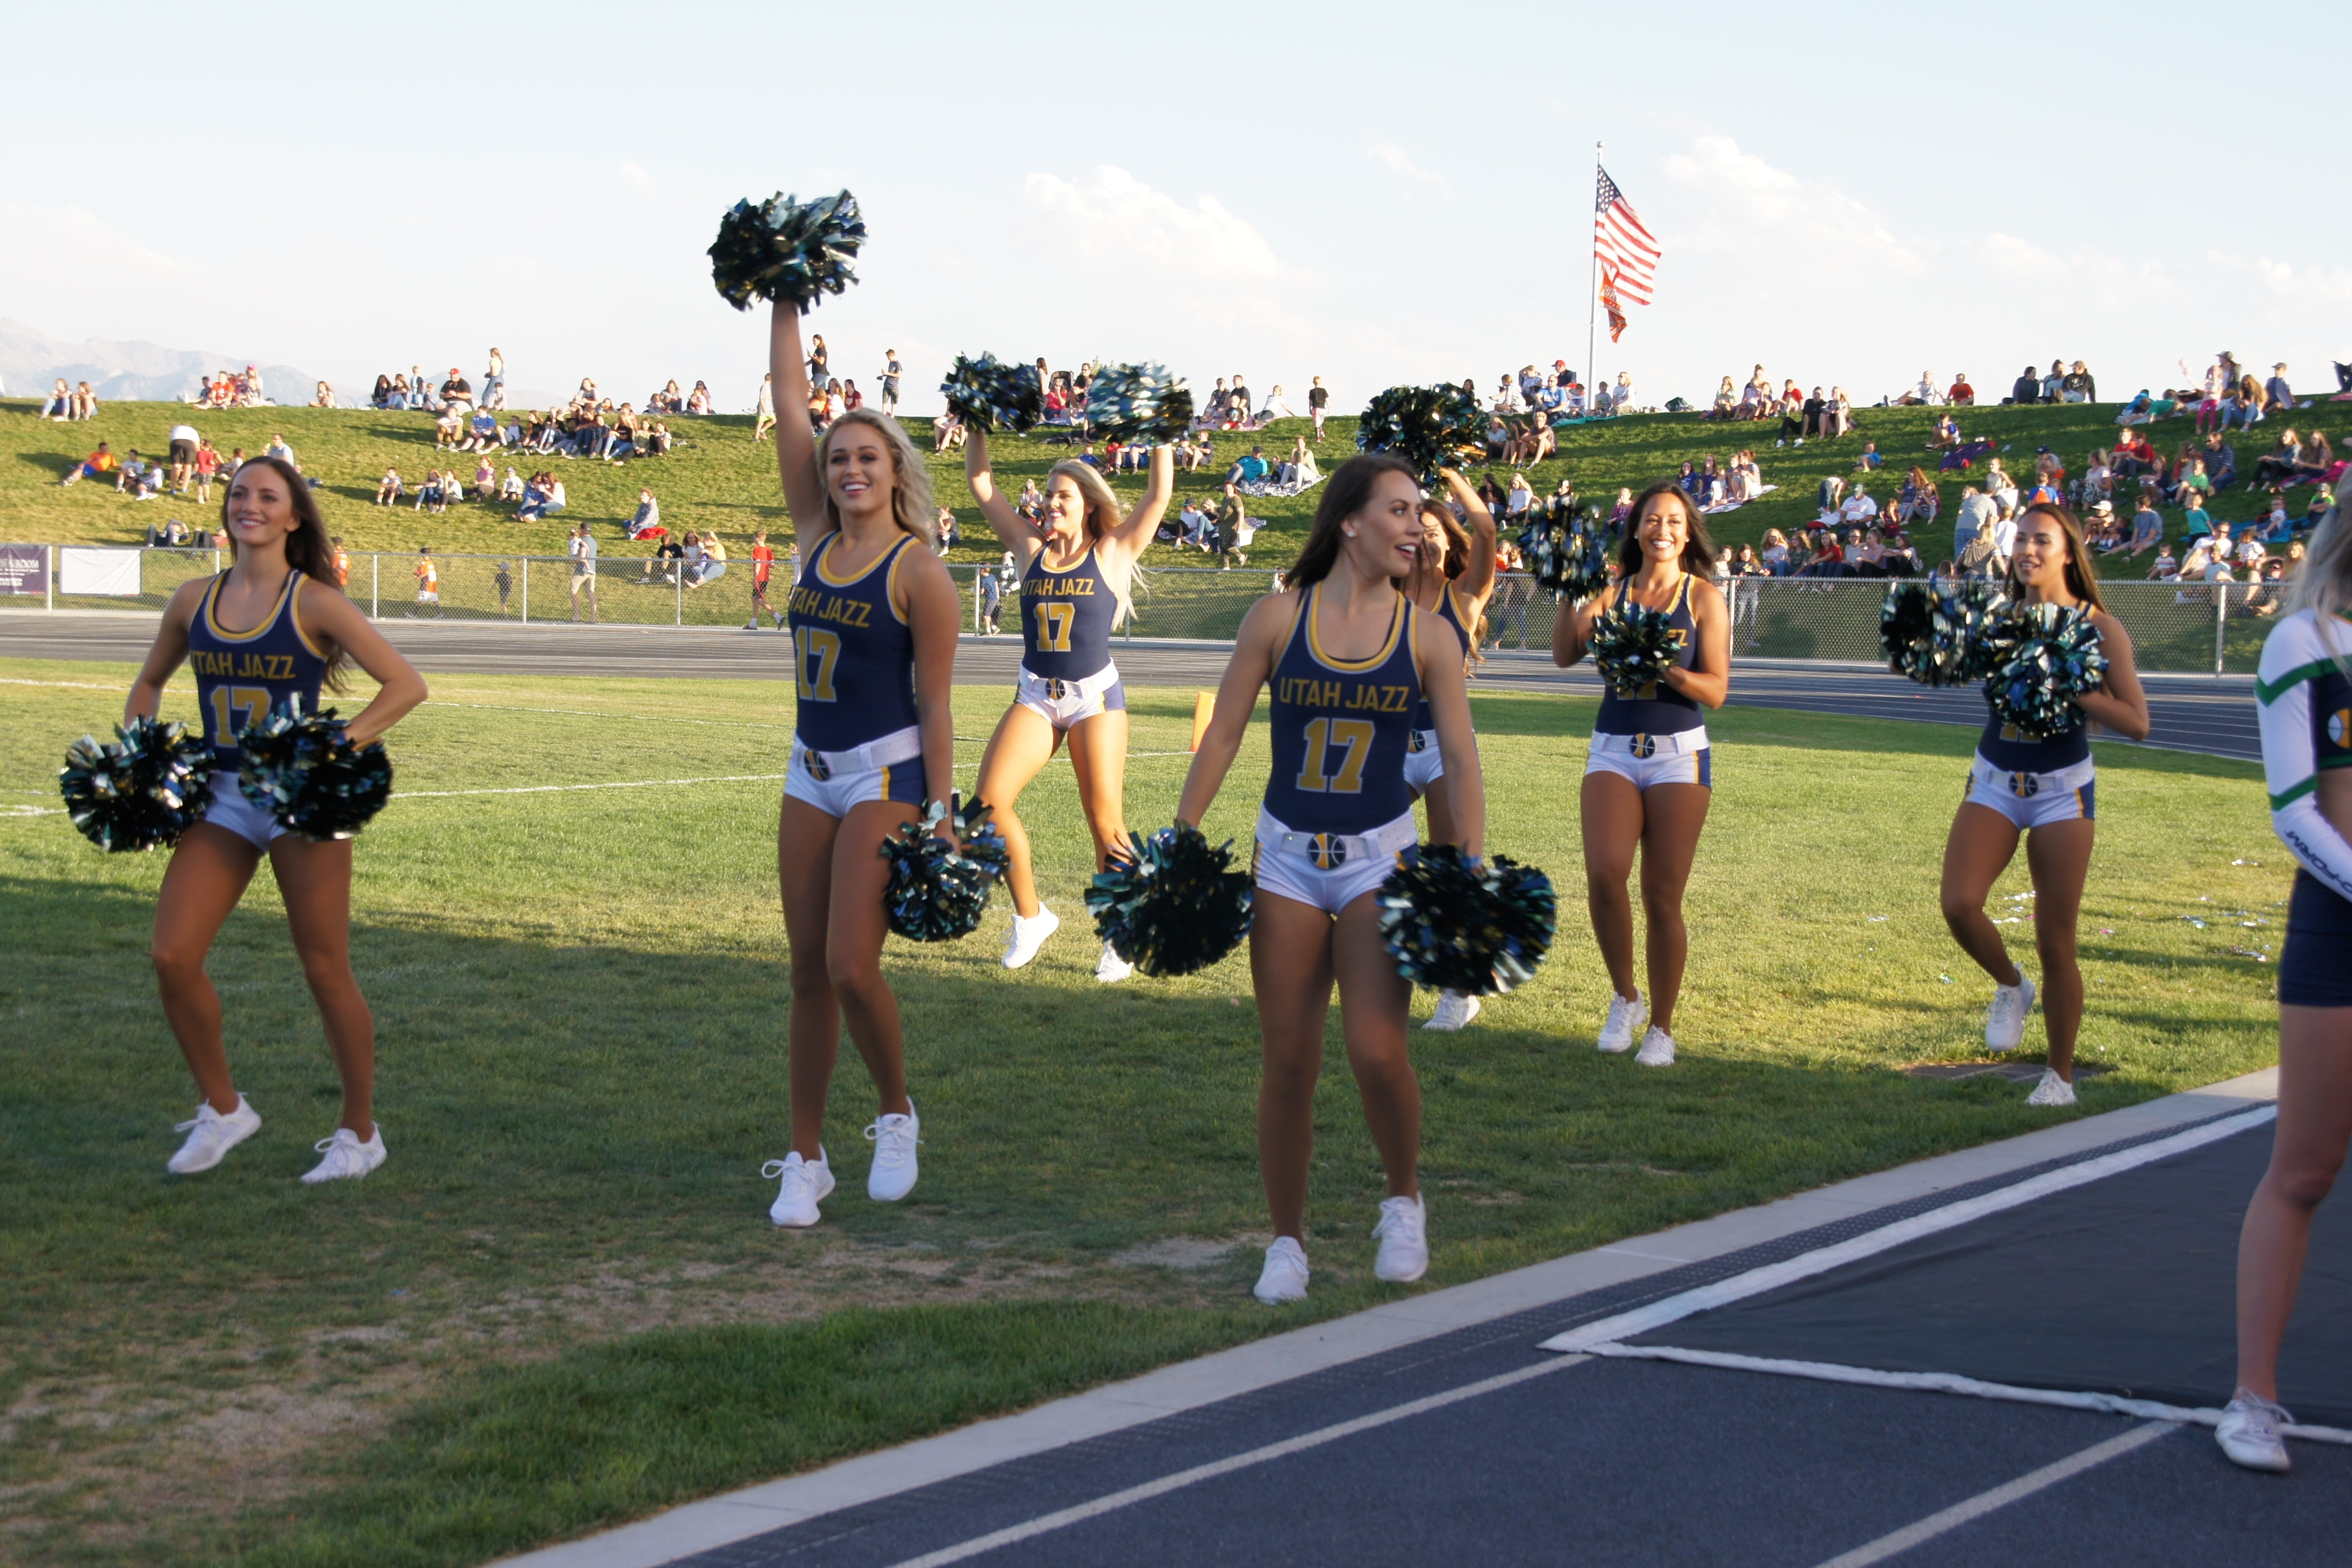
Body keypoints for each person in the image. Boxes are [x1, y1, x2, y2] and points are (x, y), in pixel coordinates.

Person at [1174, 453, 1485, 1304]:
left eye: (1421, 510)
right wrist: (1182, 835)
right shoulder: (1277, 618)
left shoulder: (1428, 635)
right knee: (1289, 1061)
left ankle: (1404, 1198)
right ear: (1350, 522)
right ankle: (1286, 1242)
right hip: (1285, 859)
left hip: (1380, 859)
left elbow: (1458, 754)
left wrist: (1471, 856)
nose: (1418, 525)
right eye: (1399, 509)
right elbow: (1228, 733)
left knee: (1377, 1049)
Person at [124, 457, 428, 1183]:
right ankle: (225, 1110)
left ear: (293, 518)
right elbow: (149, 681)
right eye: (237, 494)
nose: (248, 505)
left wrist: (330, 746)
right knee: (172, 955)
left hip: (300, 799)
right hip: (223, 797)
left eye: (267, 496)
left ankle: (360, 1133)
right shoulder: (192, 600)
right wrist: (143, 752)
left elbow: (406, 684)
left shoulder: (314, 601)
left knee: (325, 970)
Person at [760, 298, 960, 1231]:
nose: (846, 468)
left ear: (894, 472)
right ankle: (805, 1157)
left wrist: (943, 807)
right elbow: (789, 398)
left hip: (888, 775)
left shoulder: (919, 570)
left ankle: (894, 1110)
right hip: (810, 768)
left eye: (865, 457)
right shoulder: (812, 540)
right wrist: (785, 298)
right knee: (805, 971)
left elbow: (935, 699)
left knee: (849, 961)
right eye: (837, 457)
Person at [1933, 504, 2150, 1107]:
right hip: (1995, 779)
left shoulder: (2101, 628)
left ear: (2067, 551)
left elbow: (2137, 721)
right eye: (2022, 538)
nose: (2028, 549)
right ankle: (2010, 984)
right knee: (1958, 903)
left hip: (2063, 790)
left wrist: (2076, 686)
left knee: (2057, 940)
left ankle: (2059, 1077)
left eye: (2041, 540)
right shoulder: (2000, 616)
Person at [2222, 489, 2352, 1471]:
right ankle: (2251, 1397)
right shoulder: (2303, 640)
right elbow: (2295, 811)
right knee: (2304, 1167)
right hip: (2337, 930)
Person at [964, 423, 1173, 982]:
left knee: (1105, 824)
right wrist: (979, 423)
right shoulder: (1029, 550)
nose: (1051, 502)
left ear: (1086, 507)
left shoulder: (1110, 550)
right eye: (1049, 494)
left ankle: (1119, 934)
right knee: (987, 804)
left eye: (1064, 496)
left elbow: (1158, 496)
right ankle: (1031, 917)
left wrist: (1160, 430)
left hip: (1093, 698)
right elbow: (982, 484)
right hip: (1035, 692)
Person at [1551, 482, 1730, 1068]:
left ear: (1688, 530)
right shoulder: (1612, 590)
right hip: (1613, 746)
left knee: (1661, 896)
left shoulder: (1703, 597)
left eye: (1674, 521)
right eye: (1652, 519)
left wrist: (1662, 665)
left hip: (1680, 751)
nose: (1663, 529)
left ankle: (1662, 1027)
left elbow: (1717, 690)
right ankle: (1624, 995)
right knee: (1604, 872)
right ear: (1636, 528)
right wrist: (1568, 590)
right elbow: (1564, 654)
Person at [1402, 471, 1501, 1033]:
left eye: (1435, 528)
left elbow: (1485, 529)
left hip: (1443, 747)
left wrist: (1451, 480)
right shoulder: (1384, 595)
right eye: (1416, 527)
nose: (1425, 536)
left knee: (1450, 865)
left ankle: (1460, 990)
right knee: (1371, 850)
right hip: (1390, 744)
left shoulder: (1462, 597)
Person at [746, 528, 782, 630]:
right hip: (766, 577)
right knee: (755, 599)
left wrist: (755, 577)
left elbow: (758, 564)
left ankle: (778, 617)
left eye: (754, 538)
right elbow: (773, 565)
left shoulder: (757, 549)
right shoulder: (769, 551)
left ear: (758, 539)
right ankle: (754, 622)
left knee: (759, 599)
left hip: (760, 577)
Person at [568, 522, 598, 623]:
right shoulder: (594, 542)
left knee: (573, 592)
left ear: (583, 531)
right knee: (591, 593)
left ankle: (576, 616)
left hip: (582, 571)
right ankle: (593, 617)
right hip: (592, 570)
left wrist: (575, 560)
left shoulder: (582, 541)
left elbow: (582, 555)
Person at [753, 373, 776, 444]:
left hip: (769, 408)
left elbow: (768, 396)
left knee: (774, 420)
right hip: (763, 407)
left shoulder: (769, 387)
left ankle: (762, 431)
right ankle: (756, 438)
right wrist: (763, 407)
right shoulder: (764, 387)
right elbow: (761, 398)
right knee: (760, 423)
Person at [1308, 375, 1330, 442]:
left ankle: (1318, 439)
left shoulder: (1312, 391)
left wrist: (1310, 409)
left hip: (1316, 408)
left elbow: (1310, 401)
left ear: (1313, 382)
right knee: (1321, 420)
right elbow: (1327, 400)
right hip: (1323, 408)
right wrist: (1329, 408)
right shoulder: (1323, 391)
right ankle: (1322, 431)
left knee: (1317, 423)